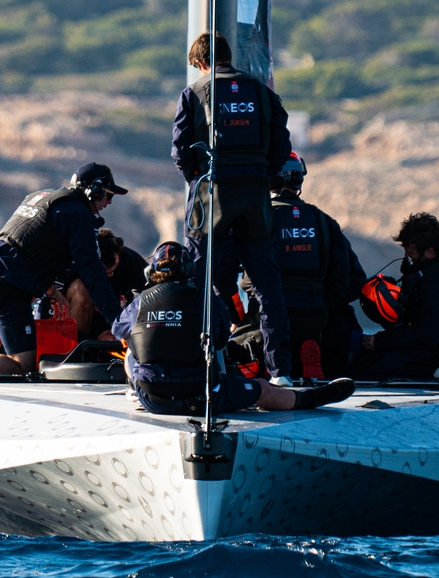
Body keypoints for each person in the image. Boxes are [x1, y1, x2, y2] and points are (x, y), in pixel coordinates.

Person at [171, 31, 295, 378]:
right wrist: (261, 174)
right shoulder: (262, 92)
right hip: (255, 196)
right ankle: (280, 371)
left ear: (200, 62)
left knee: (204, 282)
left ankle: (201, 364)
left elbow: (179, 150)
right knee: (267, 285)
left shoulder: (194, 92)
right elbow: (282, 148)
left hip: (213, 194)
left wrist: (197, 181)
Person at [112, 241, 353, 414]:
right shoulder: (207, 299)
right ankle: (312, 398)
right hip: (202, 396)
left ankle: (134, 390)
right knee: (262, 389)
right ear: (189, 271)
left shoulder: (138, 302)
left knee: (132, 346)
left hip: (152, 399)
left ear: (151, 272)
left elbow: (118, 330)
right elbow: (219, 341)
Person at [0, 162, 128, 377]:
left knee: (15, 304)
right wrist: (122, 325)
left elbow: (25, 247)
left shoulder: (44, 196)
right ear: (95, 191)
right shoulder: (79, 214)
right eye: (108, 195)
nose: (109, 202)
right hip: (8, 284)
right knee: (22, 365)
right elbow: (93, 274)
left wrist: (50, 290)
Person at [269, 152, 368, 381]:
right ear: (299, 180)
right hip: (316, 315)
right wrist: (325, 304)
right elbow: (352, 278)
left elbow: (241, 276)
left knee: (244, 339)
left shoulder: (259, 220)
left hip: (269, 315)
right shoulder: (324, 221)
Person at [353, 212, 439, 380]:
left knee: (363, 367)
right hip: (425, 350)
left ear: (430, 252)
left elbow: (428, 334)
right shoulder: (434, 268)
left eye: (411, 253)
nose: (407, 258)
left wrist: (380, 341)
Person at [62, 227, 150, 339]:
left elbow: (154, 289)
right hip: (81, 329)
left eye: (114, 270)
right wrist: (94, 340)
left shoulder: (130, 259)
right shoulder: (70, 266)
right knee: (80, 289)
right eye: (106, 272)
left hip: (121, 323)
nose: (111, 275)